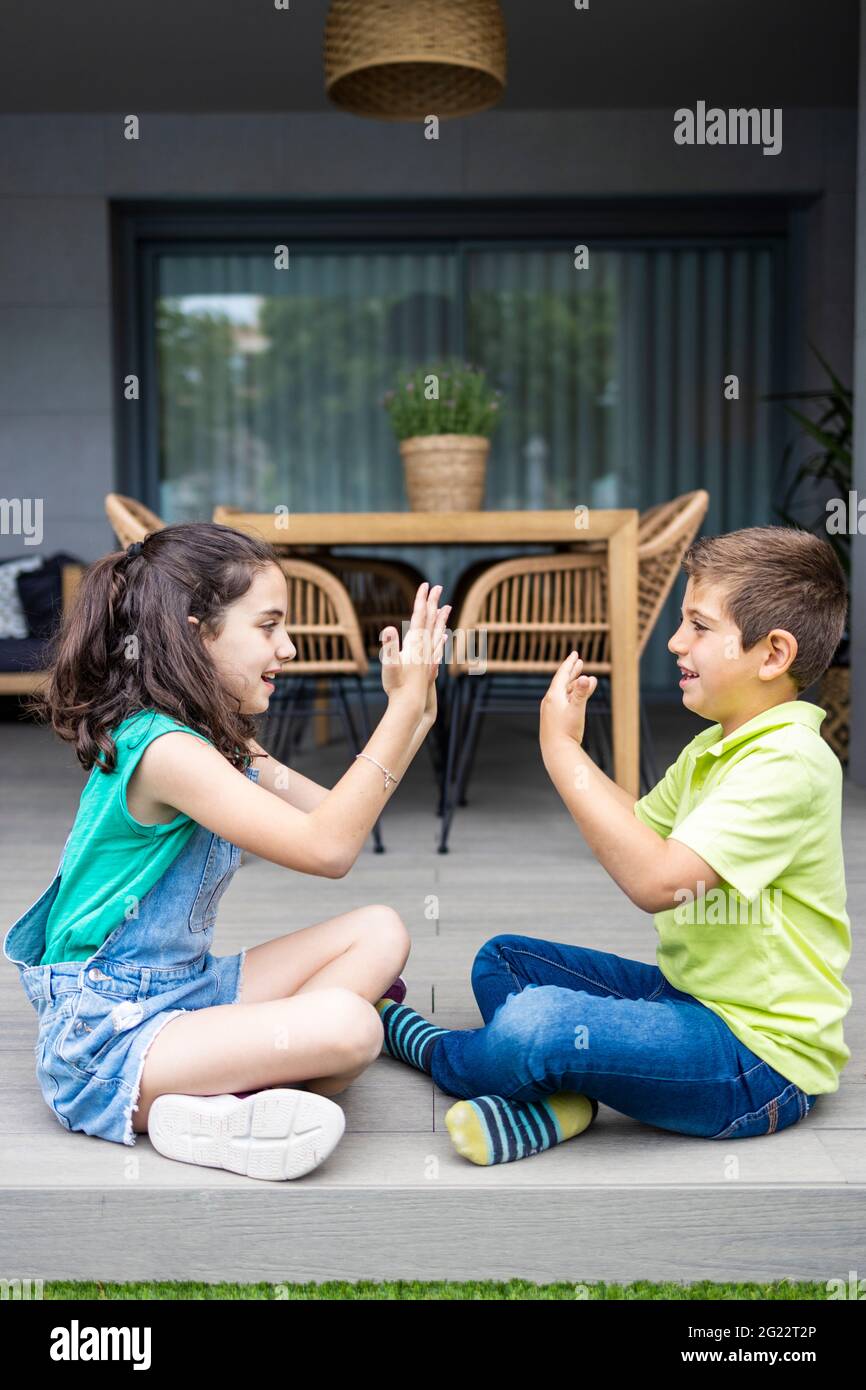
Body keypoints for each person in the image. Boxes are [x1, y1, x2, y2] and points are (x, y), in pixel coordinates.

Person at [377, 526, 852, 1166]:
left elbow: (658, 881)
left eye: (698, 626)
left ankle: (438, 1052)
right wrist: (568, 753)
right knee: (504, 960)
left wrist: (561, 751)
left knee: (536, 1024)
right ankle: (558, 1100)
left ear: (771, 655)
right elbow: (644, 827)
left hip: (755, 1065)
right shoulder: (716, 745)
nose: (675, 642)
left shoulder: (791, 762)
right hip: (692, 1003)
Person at [3, 521, 449, 1181]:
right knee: (354, 1030)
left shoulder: (214, 741)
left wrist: (413, 714)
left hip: (183, 996)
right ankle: (235, 1099)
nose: (288, 647)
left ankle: (222, 1102)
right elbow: (329, 849)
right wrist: (399, 714)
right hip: (109, 1041)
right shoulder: (165, 752)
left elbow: (331, 815)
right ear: (196, 633)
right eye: (267, 626)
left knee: (379, 932)